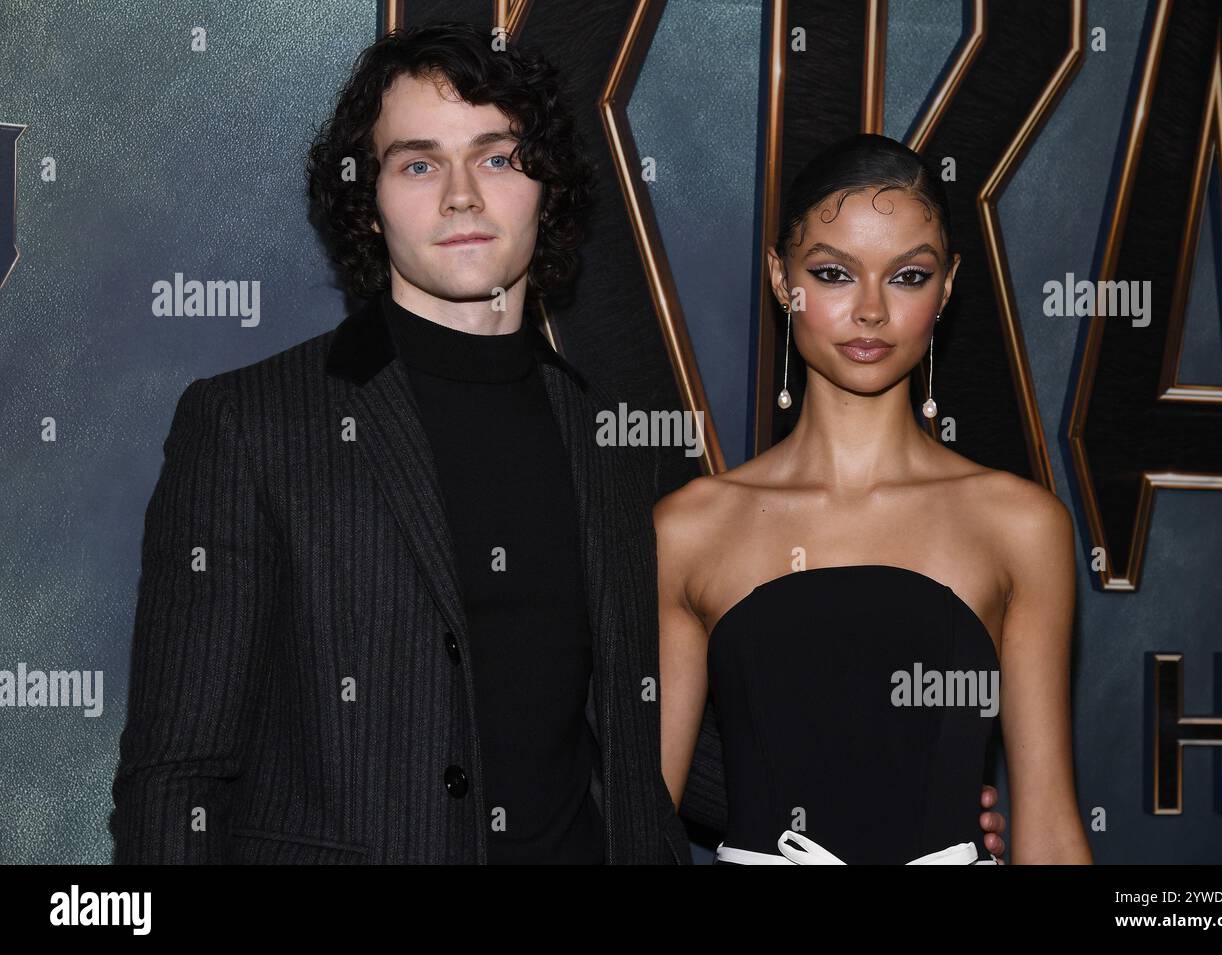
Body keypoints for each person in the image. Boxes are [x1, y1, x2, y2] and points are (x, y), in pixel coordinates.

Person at [108, 21, 1008, 864]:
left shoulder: (609, 441)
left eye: (497, 157)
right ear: (367, 199)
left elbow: (638, 734)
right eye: (419, 165)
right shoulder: (251, 426)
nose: (462, 195)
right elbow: (172, 783)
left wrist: (891, 796)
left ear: (547, 186)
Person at [657, 133, 1091, 864]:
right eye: (832, 273)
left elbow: (1048, 825)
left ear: (947, 286)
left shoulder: (1021, 525)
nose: (869, 311)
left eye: (908, 277)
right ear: (779, 278)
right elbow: (648, 820)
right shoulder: (690, 528)